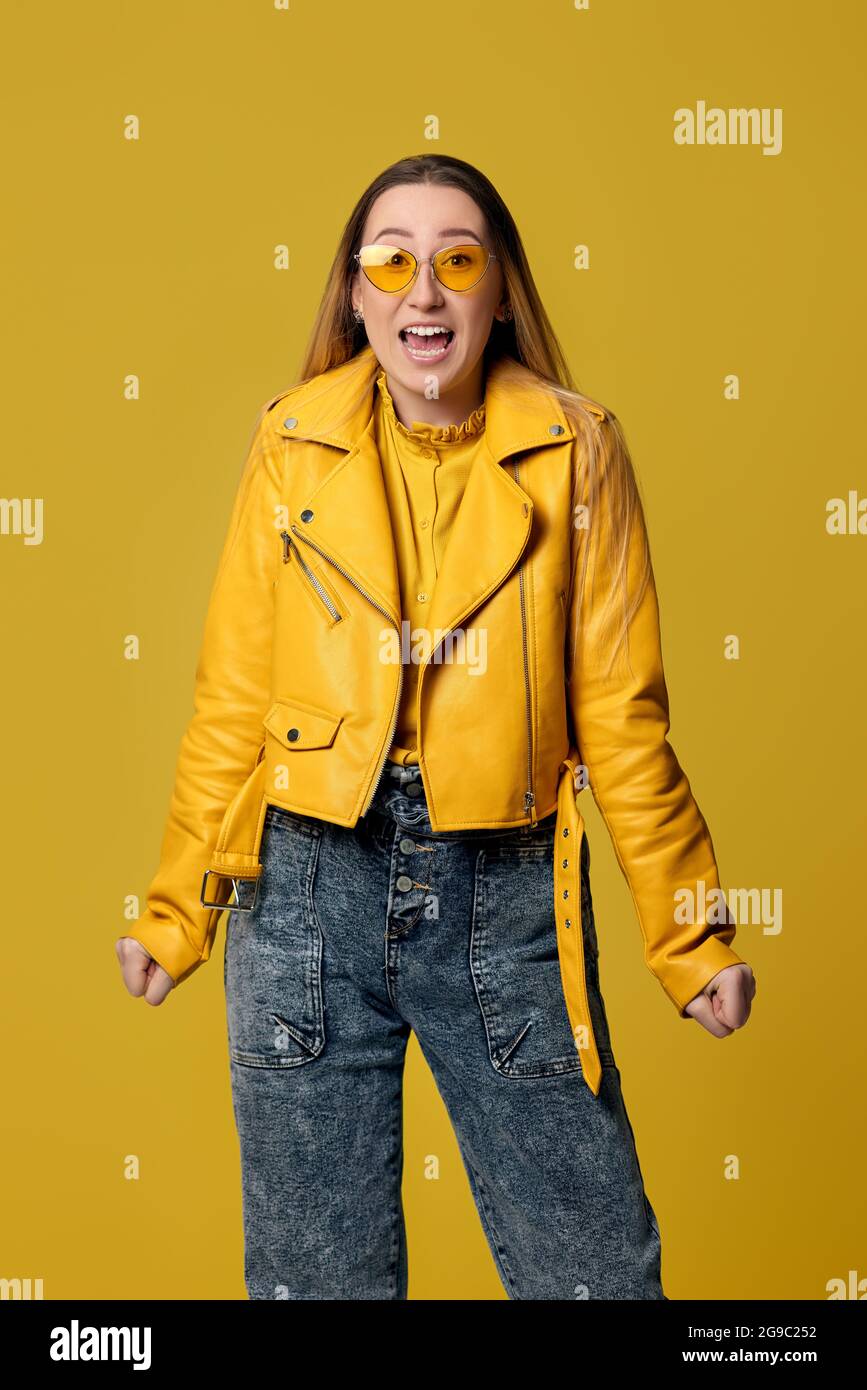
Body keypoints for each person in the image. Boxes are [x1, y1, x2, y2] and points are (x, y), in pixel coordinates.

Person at [116, 153, 756, 1300]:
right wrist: (174, 915)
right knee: (321, 1284)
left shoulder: (579, 450)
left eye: (456, 261)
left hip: (504, 899)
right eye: (392, 261)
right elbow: (234, 700)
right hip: (304, 888)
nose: (424, 291)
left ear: (498, 291)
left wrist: (693, 938)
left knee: (598, 1274)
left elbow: (623, 716)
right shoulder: (288, 442)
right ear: (355, 295)